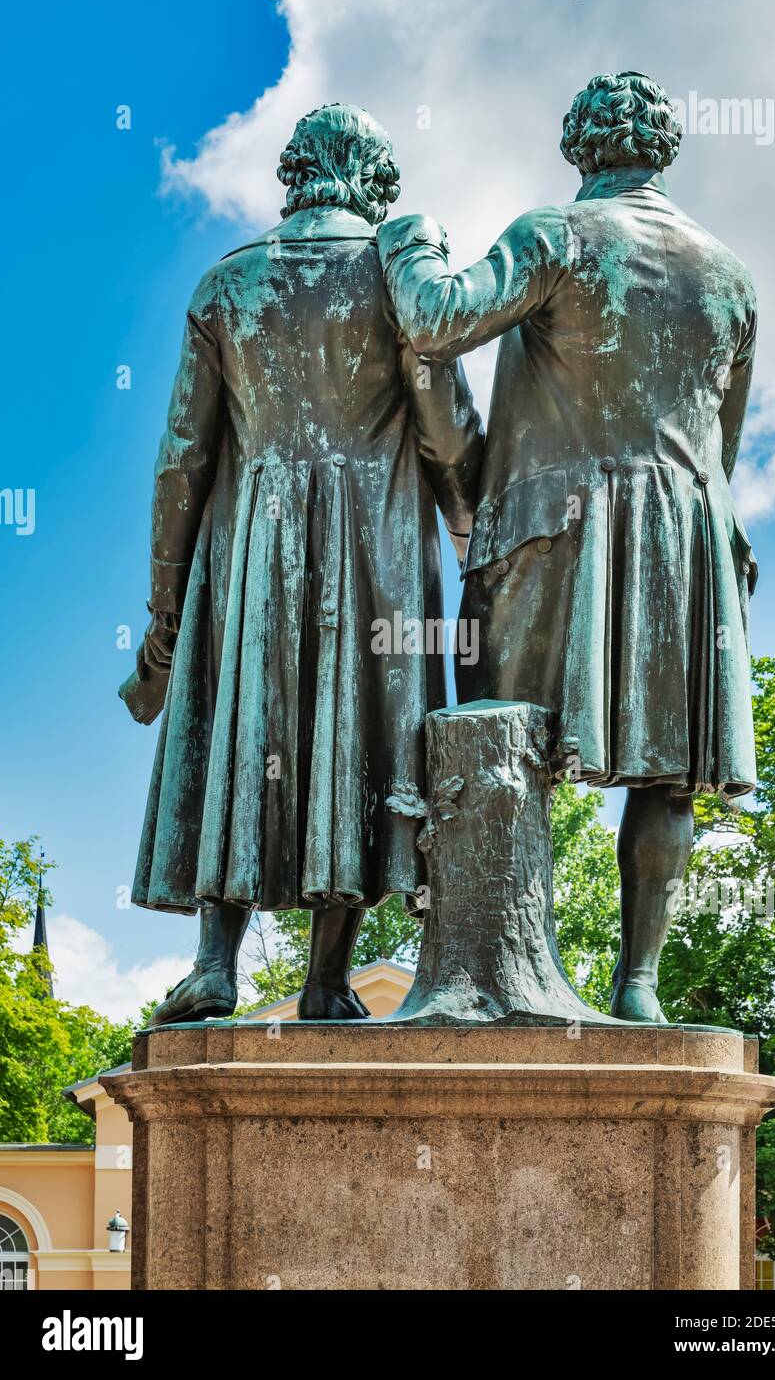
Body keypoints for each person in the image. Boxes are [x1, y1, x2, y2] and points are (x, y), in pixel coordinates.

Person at [378, 72, 758, 1023]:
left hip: (555, 532)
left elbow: (435, 320)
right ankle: (637, 986)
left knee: (508, 751)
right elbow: (724, 442)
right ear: (663, 148)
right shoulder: (731, 276)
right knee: (669, 773)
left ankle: (504, 981)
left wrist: (409, 241)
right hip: (685, 538)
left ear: (579, 146)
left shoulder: (554, 234)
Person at [120, 103, 483, 1024]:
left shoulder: (227, 283)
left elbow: (182, 460)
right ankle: (327, 981)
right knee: (367, 737)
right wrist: (477, 535)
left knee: (245, 727)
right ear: (375, 177)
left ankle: (215, 964)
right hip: (384, 549)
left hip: (255, 547)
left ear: (295, 172)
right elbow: (448, 437)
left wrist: (167, 605)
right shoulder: (404, 279)